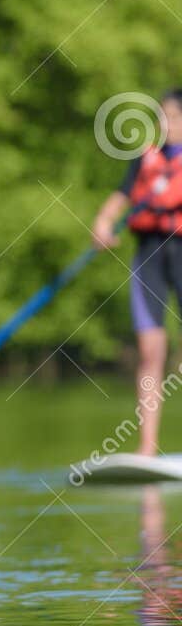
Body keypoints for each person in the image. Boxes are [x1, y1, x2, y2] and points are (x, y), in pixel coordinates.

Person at [90, 90, 182, 455]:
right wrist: (103, 220)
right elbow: (121, 196)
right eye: (162, 117)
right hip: (149, 252)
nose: (166, 124)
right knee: (149, 349)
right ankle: (147, 448)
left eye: (174, 117)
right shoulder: (144, 158)